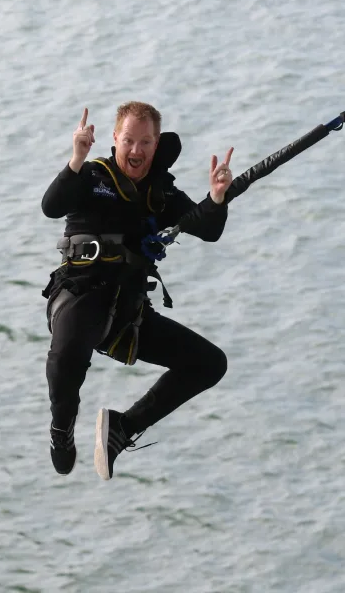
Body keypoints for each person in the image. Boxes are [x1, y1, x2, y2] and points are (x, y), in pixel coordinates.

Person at [40, 101, 234, 481]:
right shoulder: (92, 176)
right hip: (80, 296)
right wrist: (76, 159)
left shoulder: (161, 194)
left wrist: (216, 198)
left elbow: (207, 229)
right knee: (67, 356)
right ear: (115, 140)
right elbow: (51, 207)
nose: (136, 150)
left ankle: (122, 428)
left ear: (156, 144)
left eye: (145, 142)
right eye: (128, 140)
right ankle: (61, 430)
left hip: (127, 312)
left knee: (210, 363)